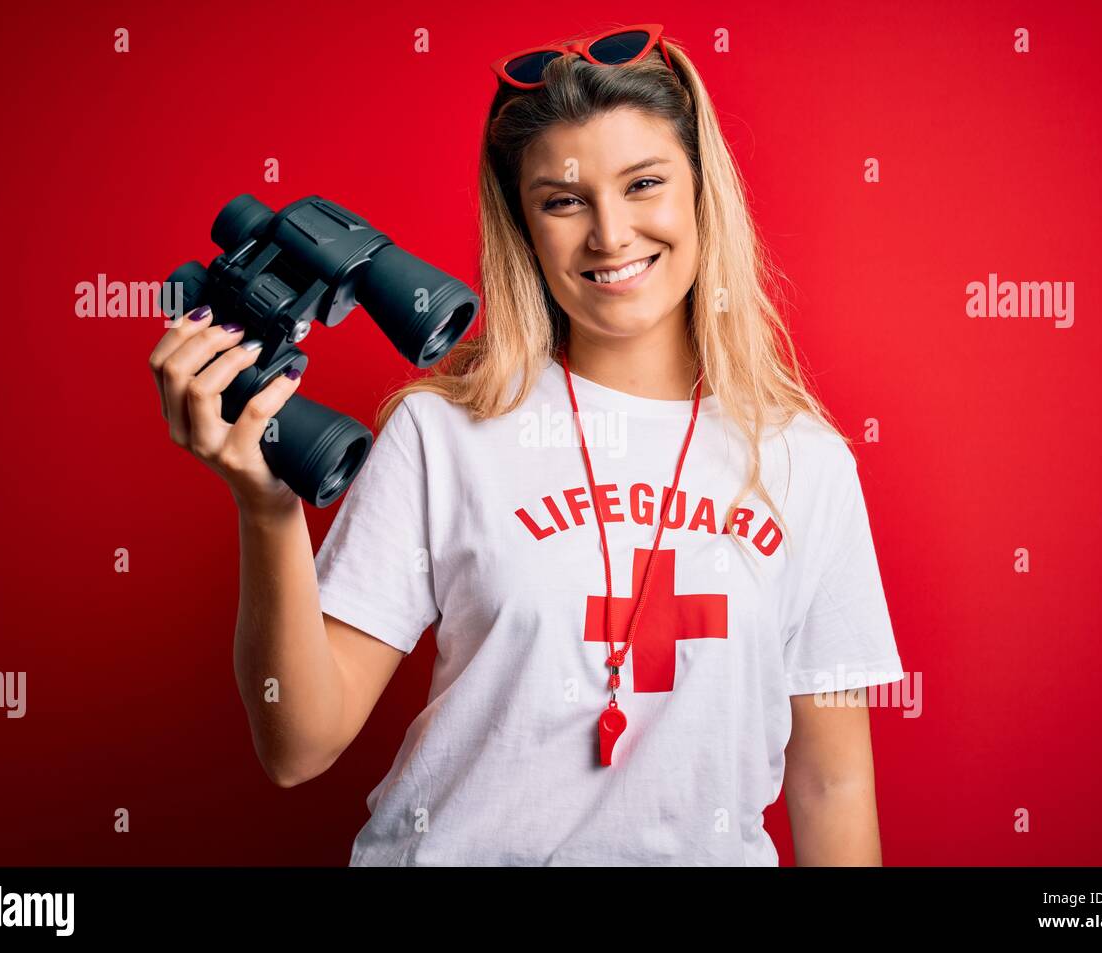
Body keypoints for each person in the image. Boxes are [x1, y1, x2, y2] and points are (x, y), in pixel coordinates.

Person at [148, 24, 904, 866]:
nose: (611, 235)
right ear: (525, 227)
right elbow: (298, 746)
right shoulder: (442, 432)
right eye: (564, 199)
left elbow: (832, 787)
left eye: (644, 183)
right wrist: (267, 506)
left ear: (702, 193)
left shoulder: (808, 463)